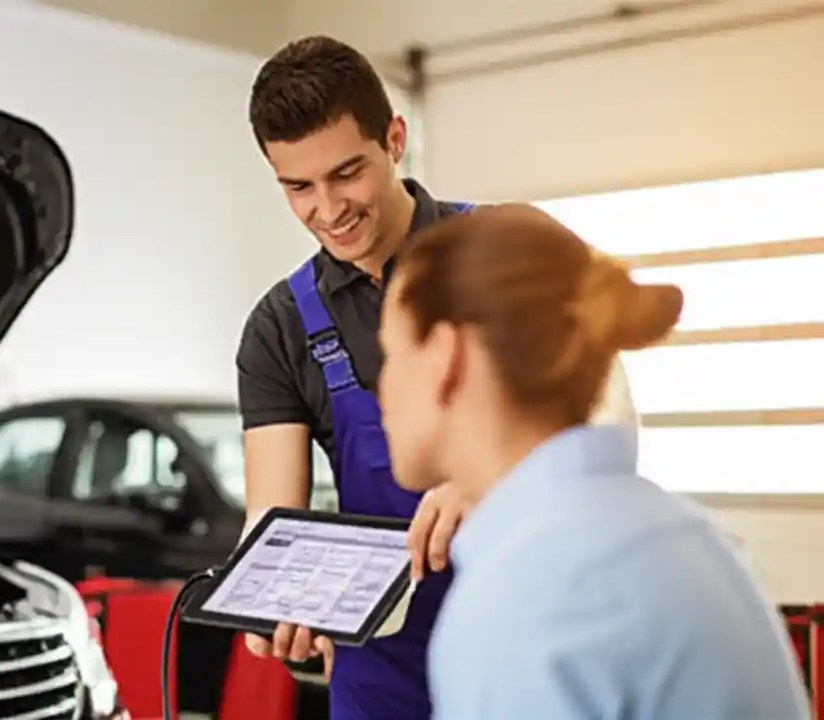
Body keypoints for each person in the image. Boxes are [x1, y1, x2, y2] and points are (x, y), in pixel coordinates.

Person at [235, 35, 639, 718]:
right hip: (383, 674)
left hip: (539, 646)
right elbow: (270, 521)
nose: (328, 209)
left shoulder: (512, 248)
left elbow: (612, 423)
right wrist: (269, 604)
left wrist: (499, 478)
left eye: (347, 173)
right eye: (298, 188)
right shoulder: (280, 326)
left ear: (394, 138)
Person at [375, 203, 811, 719]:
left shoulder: (526, 600)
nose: (382, 387)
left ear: (446, 356)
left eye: (391, 354)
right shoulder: (684, 535)